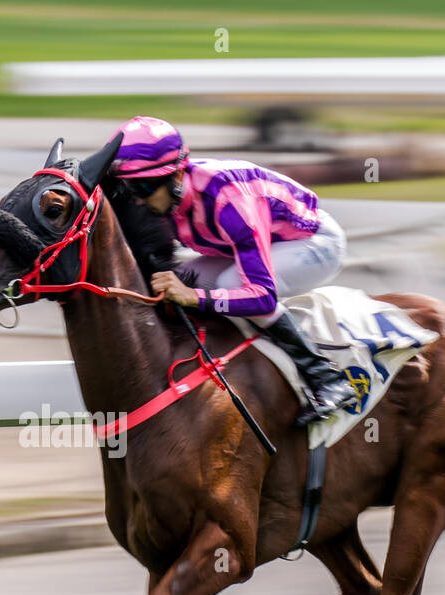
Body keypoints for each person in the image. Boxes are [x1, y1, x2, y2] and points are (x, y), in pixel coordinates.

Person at [107, 115, 357, 425]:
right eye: (130, 187)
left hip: (314, 244)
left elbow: (261, 297)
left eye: (145, 186)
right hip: (257, 244)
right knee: (186, 279)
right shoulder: (162, 198)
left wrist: (195, 297)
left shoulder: (229, 200)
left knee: (226, 282)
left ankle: (327, 377)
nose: (139, 199)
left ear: (176, 176)